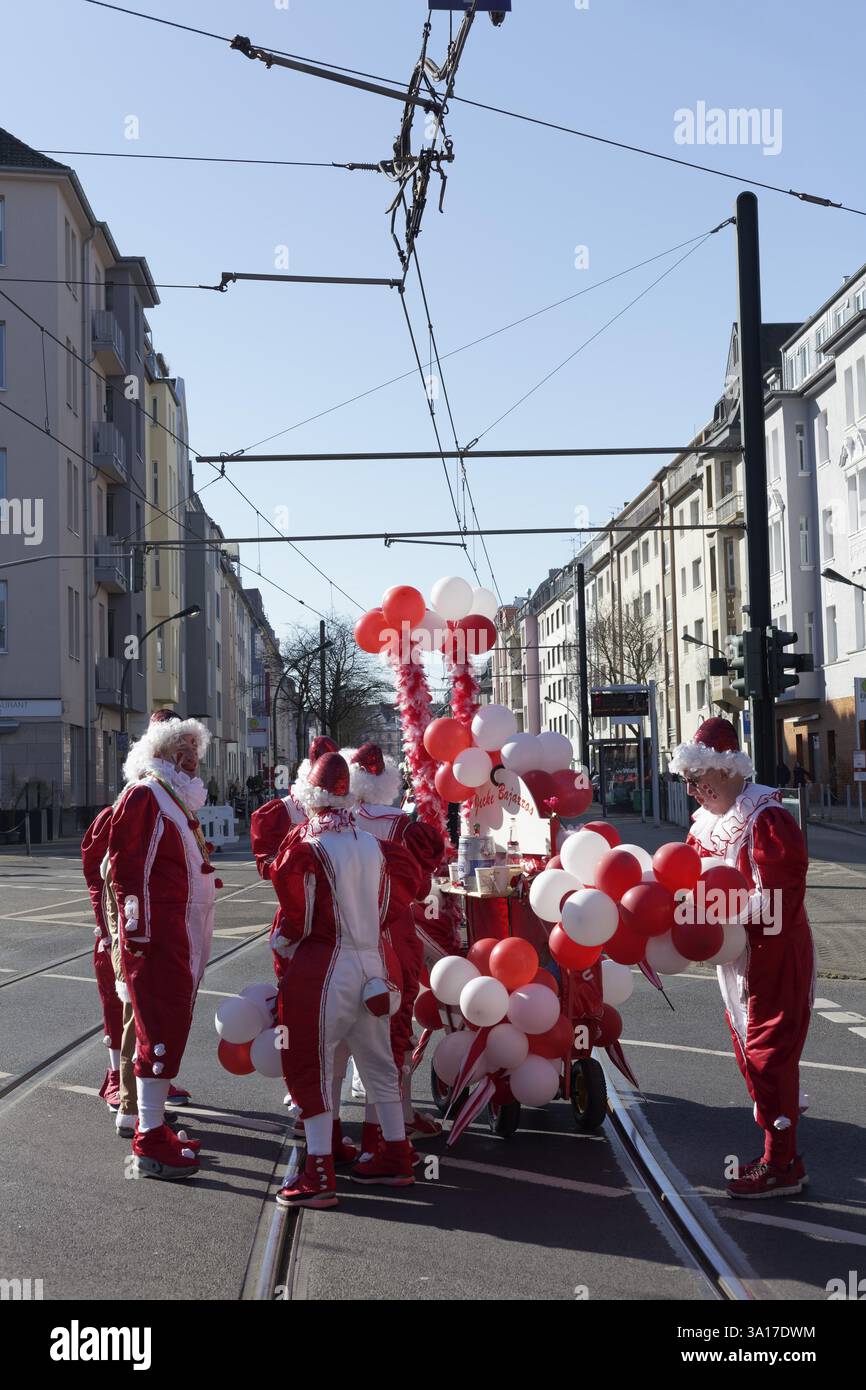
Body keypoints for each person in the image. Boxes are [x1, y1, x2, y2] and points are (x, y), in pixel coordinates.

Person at [269, 751, 423, 1209]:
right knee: (378, 1063)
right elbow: (404, 891)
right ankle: (395, 1154)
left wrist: (284, 944)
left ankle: (319, 1171)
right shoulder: (374, 845)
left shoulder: (307, 846)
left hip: (325, 964)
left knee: (311, 1062)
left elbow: (296, 917)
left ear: (311, 798)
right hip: (374, 964)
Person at [670, 716, 815, 1198]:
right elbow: (685, 879)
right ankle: (779, 1152)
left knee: (769, 1056)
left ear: (727, 770)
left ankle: (783, 1166)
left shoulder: (767, 818)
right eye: (687, 781)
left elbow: (779, 903)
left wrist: (717, 910)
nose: (692, 791)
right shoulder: (706, 825)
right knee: (749, 1056)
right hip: (735, 958)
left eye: (697, 779)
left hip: (773, 956)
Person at [109, 712, 217, 1180]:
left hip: (180, 934)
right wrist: (139, 933)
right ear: (162, 754)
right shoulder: (147, 795)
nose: (192, 760)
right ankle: (148, 1136)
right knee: (156, 1027)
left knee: (169, 1024)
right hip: (159, 938)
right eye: (183, 751)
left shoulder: (173, 799)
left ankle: (153, 1127)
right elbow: (128, 869)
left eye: (195, 751)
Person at [345, 743, 445, 1152]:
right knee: (395, 1021)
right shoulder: (403, 826)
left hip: (345, 933)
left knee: (344, 1027)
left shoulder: (334, 821)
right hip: (392, 933)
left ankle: (322, 1125)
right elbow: (423, 880)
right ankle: (395, 1120)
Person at [81, 806, 124, 1110]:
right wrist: (106, 925)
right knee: (115, 1000)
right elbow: (96, 874)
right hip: (119, 928)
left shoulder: (175, 812)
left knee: (157, 1006)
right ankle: (116, 1075)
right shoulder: (116, 814)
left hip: (159, 930)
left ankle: (150, 1071)